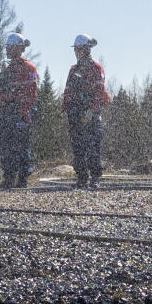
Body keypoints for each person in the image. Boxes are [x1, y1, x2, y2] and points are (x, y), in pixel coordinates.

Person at [61, 36, 108, 189]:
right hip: (75, 113)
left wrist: (92, 110)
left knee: (93, 148)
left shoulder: (96, 68)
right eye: (75, 49)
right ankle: (81, 178)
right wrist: (65, 111)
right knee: (78, 148)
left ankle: (95, 178)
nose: (76, 52)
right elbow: (67, 92)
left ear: (87, 49)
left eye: (79, 49)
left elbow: (99, 92)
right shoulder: (73, 70)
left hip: (91, 115)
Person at [0, 33, 40, 188]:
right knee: (7, 146)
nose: (7, 49)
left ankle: (22, 179)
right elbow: (3, 90)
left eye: (10, 47)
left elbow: (30, 93)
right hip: (8, 111)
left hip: (21, 112)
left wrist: (23, 110)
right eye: (7, 47)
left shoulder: (28, 68)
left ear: (18, 48)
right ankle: (8, 178)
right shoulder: (9, 69)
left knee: (21, 146)